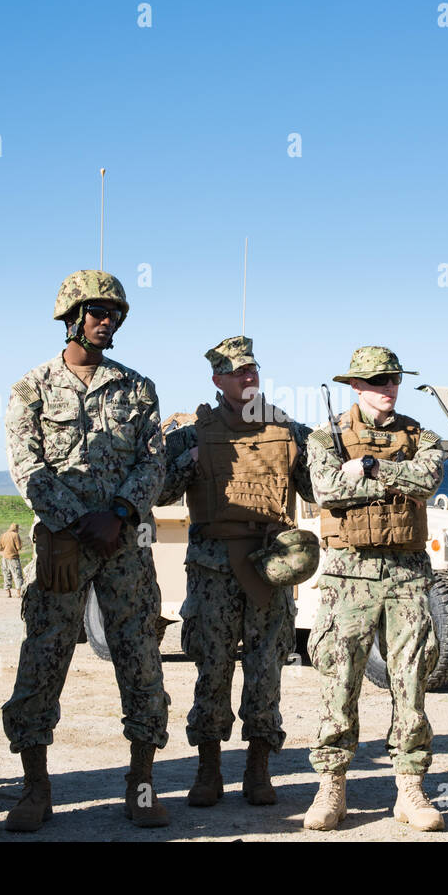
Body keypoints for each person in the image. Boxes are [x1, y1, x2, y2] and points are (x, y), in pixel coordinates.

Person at [1, 270, 170, 830]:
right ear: (70, 316)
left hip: (124, 545)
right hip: (62, 545)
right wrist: (80, 520)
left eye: (114, 314)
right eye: (96, 312)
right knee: (43, 658)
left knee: (141, 658)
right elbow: (26, 467)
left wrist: (119, 514)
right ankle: (35, 788)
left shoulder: (138, 388)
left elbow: (153, 461)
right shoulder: (32, 386)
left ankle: (141, 784)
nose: (106, 322)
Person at [156, 335, 317, 806]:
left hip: (270, 566)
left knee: (267, 668)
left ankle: (258, 769)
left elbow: (316, 487)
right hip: (212, 568)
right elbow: (159, 493)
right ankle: (208, 770)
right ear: (217, 379)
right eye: (236, 371)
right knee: (211, 667)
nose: (247, 377)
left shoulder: (288, 430)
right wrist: (188, 463)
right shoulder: (190, 435)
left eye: (252, 369)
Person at [303, 346, 446, 832]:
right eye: (378, 381)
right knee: (339, 683)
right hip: (349, 576)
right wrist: (387, 481)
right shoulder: (325, 436)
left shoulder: (420, 434)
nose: (389, 388)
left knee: (411, 683)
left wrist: (368, 468)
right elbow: (325, 490)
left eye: (393, 380)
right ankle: (331, 786)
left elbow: (427, 479)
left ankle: (410, 787)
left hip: (406, 575)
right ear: (356, 387)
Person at [0, 522, 24, 598]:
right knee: (17, 575)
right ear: (16, 528)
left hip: (4, 558)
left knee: (6, 575)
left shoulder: (3, 535)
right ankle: (19, 593)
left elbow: (0, 548)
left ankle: (8, 593)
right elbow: (19, 547)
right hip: (14, 558)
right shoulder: (15, 535)